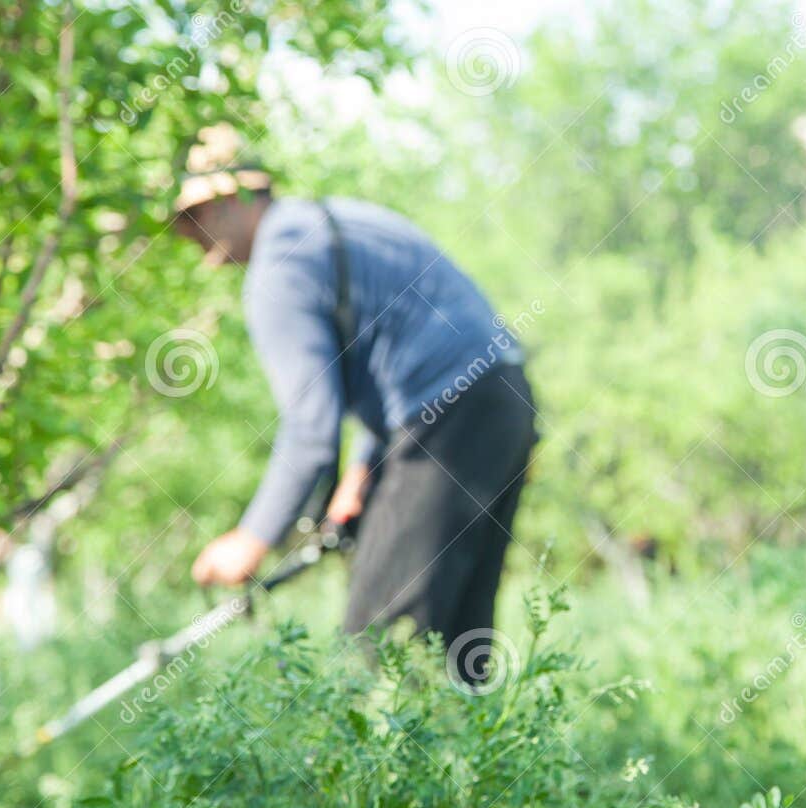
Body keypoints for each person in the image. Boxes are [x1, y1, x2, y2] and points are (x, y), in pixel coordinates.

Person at [171, 126, 535, 682]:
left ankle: (386, 766)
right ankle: (482, 766)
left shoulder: (279, 269)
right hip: (502, 401)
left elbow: (312, 430)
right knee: (459, 640)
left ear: (237, 198)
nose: (193, 243)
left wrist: (253, 537)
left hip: (448, 419)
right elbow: (396, 345)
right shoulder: (335, 221)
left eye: (195, 219)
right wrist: (364, 469)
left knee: (382, 645)